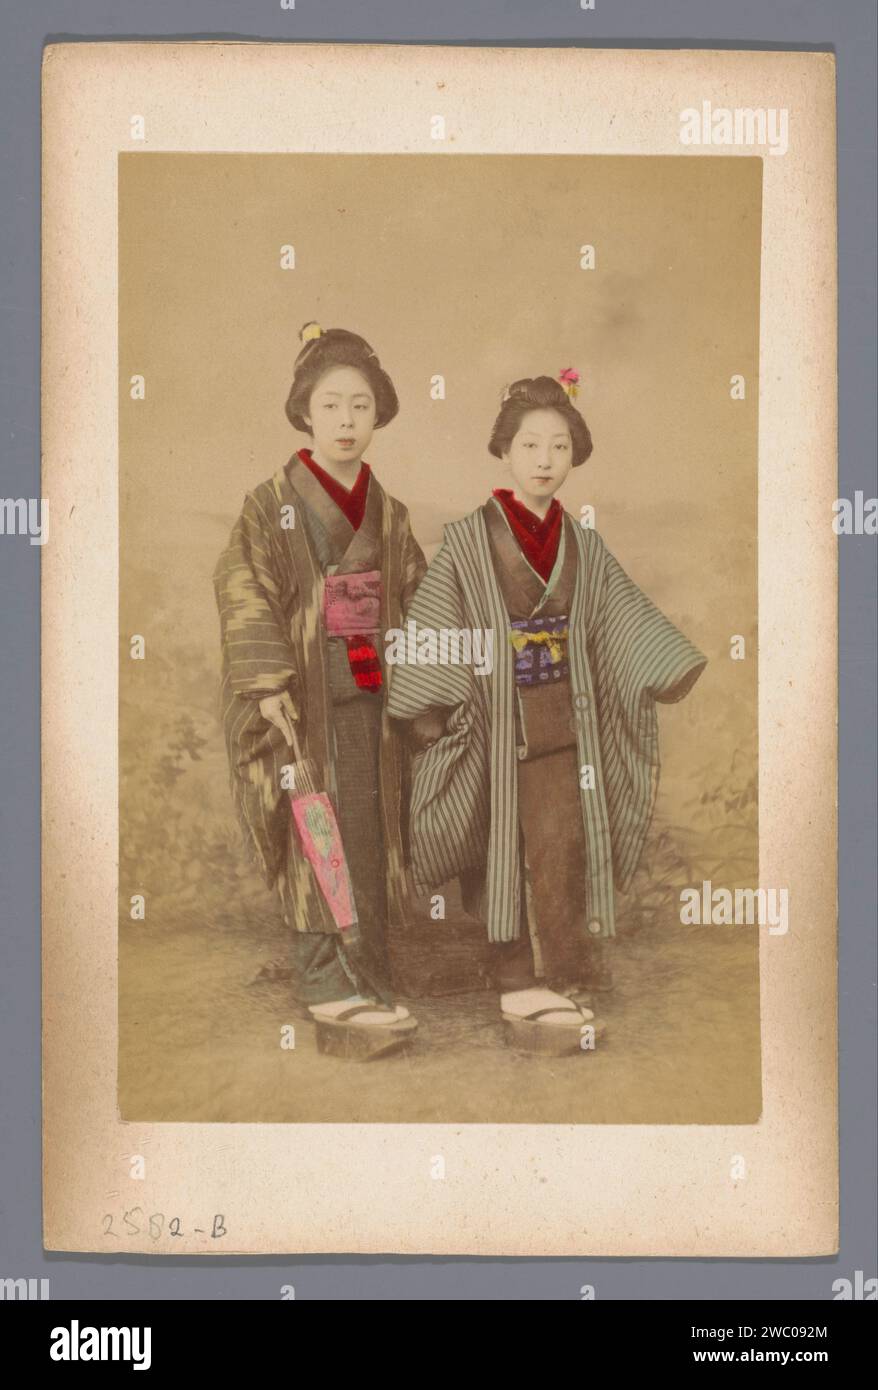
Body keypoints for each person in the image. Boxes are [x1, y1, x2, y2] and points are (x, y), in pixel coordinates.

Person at [387, 372, 707, 1055]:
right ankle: (512, 975)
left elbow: (620, 617)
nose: (543, 460)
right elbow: (437, 619)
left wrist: (664, 665)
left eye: (558, 447)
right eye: (530, 444)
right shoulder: (470, 540)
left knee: (560, 840)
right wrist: (430, 711)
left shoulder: (582, 543)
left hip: (566, 719)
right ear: (505, 450)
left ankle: (557, 967)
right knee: (504, 842)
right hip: (497, 722)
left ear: (573, 455)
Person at [213, 323, 427, 1058]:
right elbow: (244, 585)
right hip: (298, 698)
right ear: (305, 411)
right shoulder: (269, 502)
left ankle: (370, 973)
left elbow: (419, 600)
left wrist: (433, 675)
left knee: (366, 833)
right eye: (330, 405)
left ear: (378, 416)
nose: (345, 421)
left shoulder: (389, 515)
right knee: (312, 830)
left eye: (360, 406)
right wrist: (266, 679)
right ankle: (324, 982)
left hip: (369, 698)